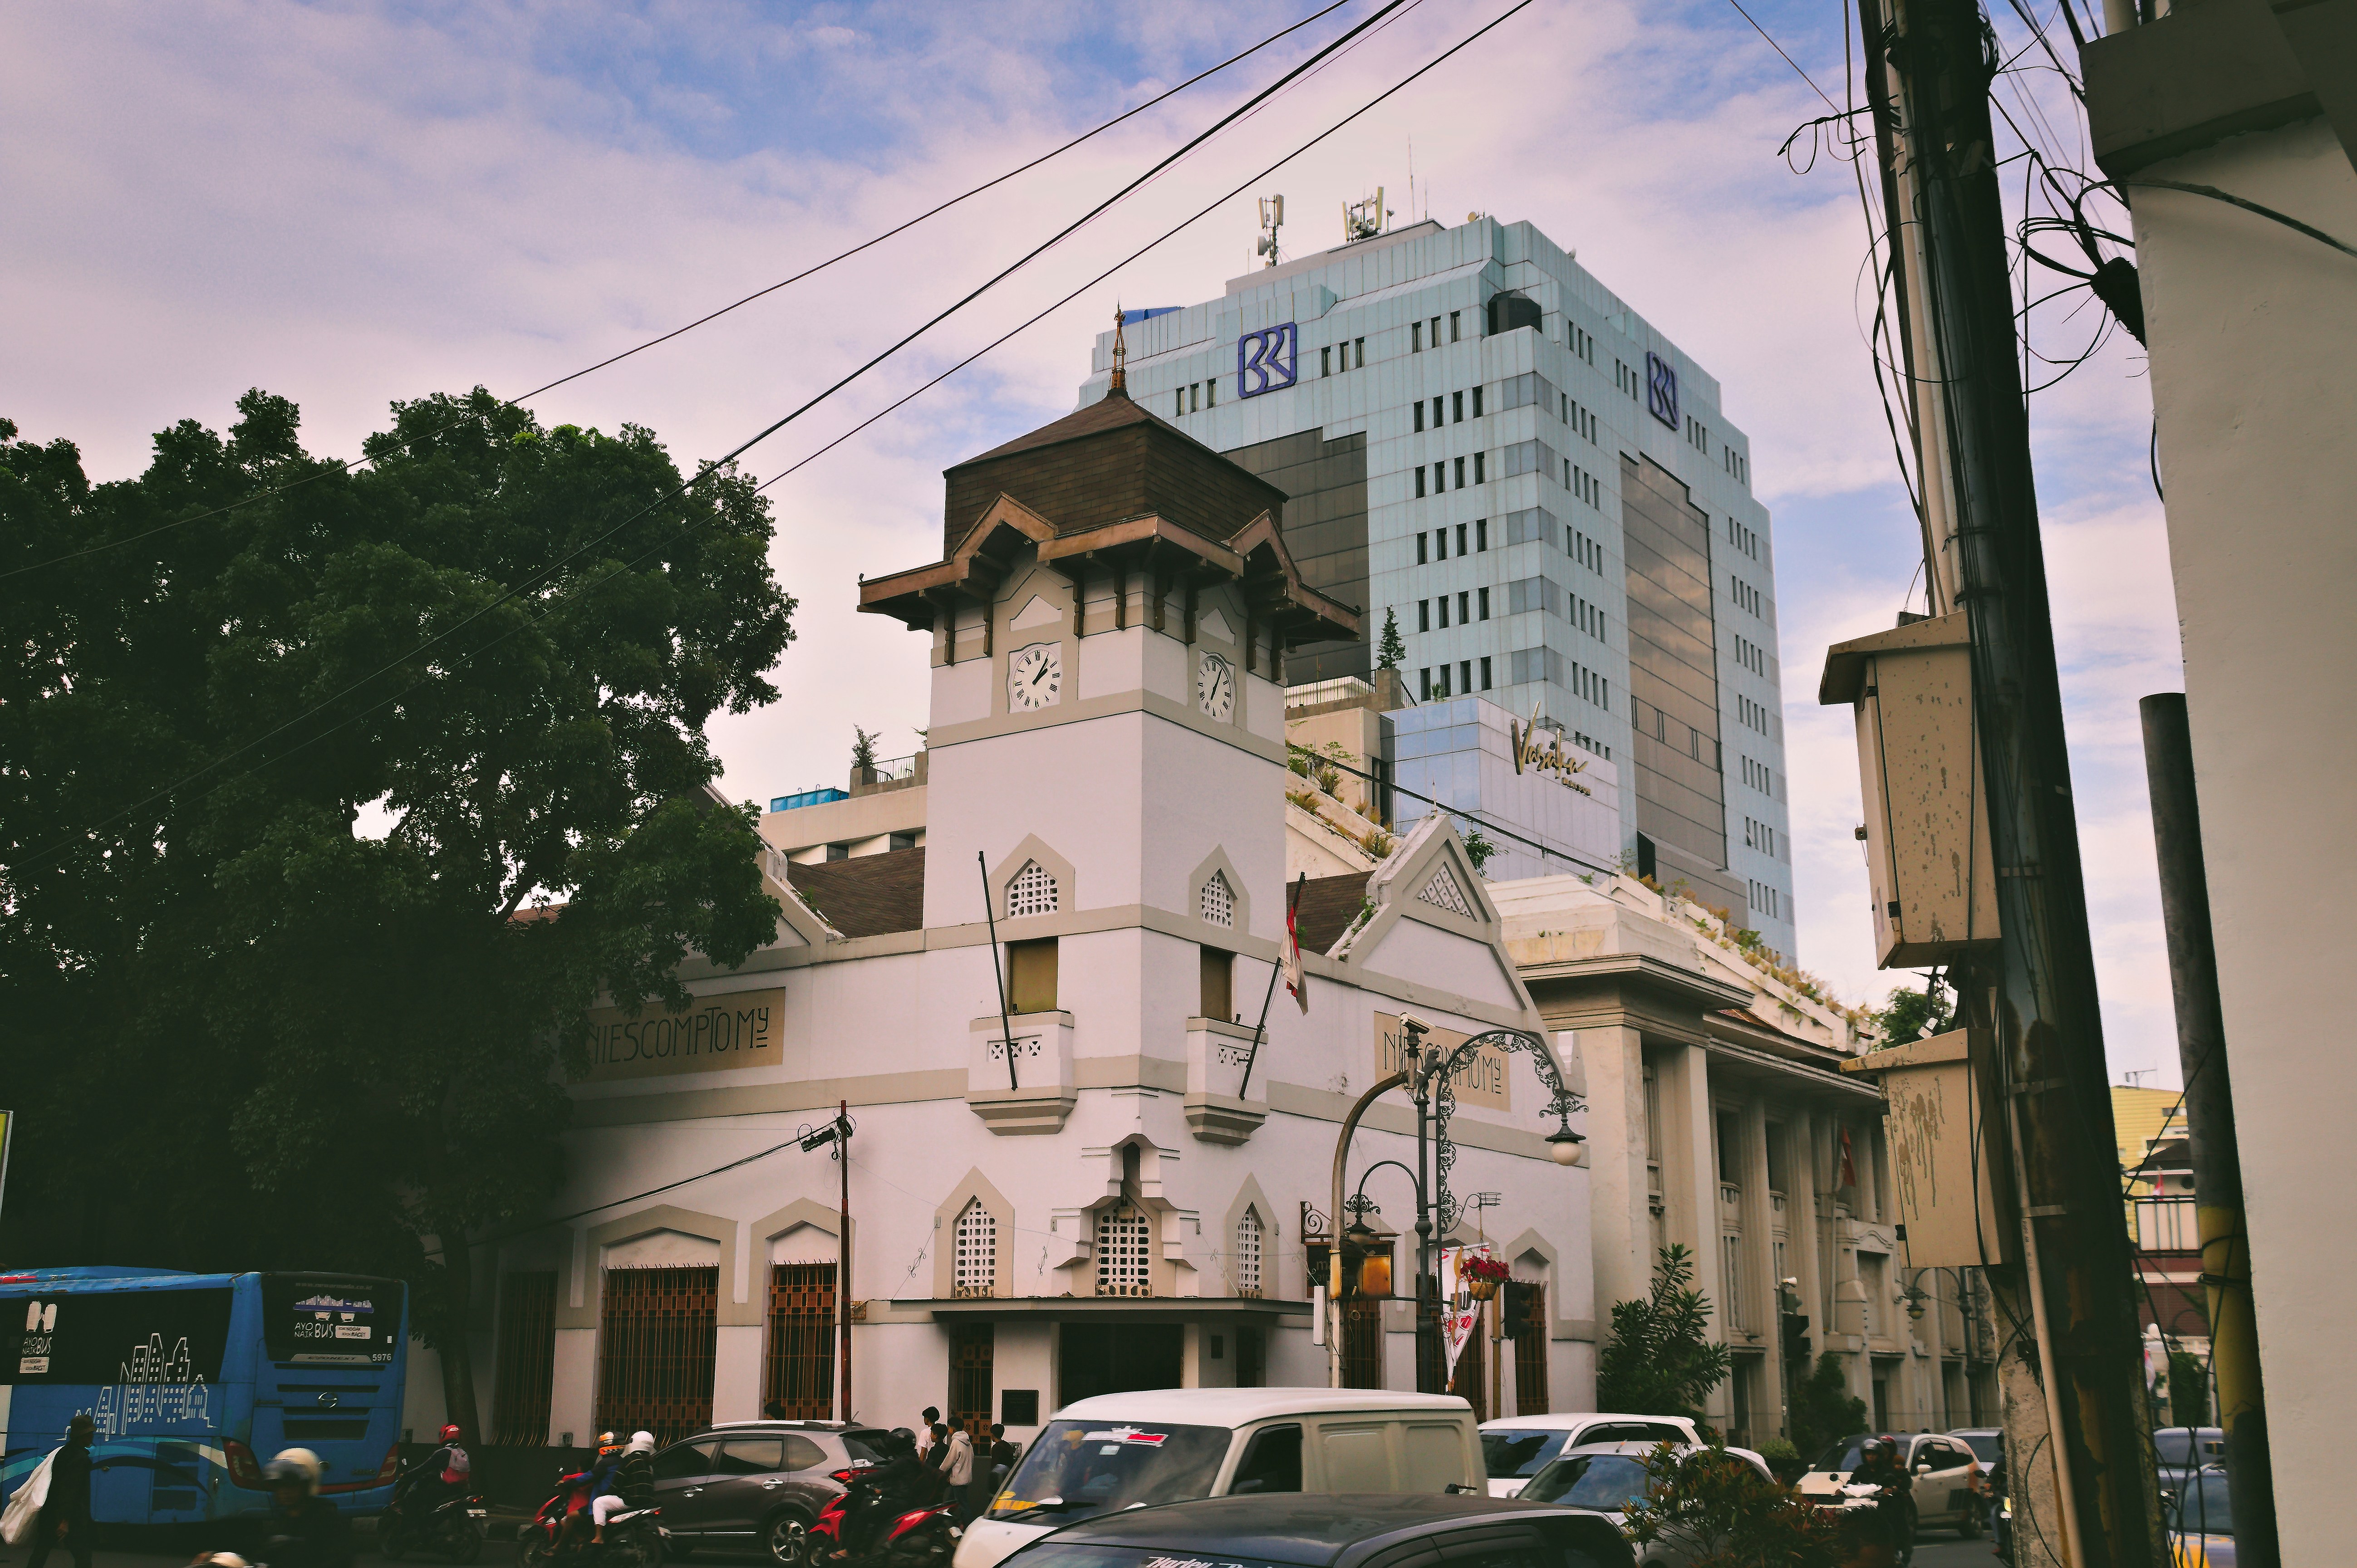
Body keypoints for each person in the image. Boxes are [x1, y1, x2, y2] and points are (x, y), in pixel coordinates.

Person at [840, 1429, 928, 1558]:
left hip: (901, 1502)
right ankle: (867, 1551)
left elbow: (882, 1475)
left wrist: (857, 1481)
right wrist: (882, 1491)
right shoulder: (913, 1459)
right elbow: (904, 1483)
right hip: (908, 1500)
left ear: (897, 1446)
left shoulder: (903, 1462)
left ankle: (851, 1551)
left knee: (864, 1516)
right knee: (876, 1517)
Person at [262, 1449, 353, 1568]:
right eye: (280, 1485)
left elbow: (339, 1559)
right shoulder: (281, 1522)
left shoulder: (327, 1519)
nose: (285, 1492)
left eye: (292, 1485)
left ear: (307, 1485)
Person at [24, 1414, 94, 1568]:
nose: (92, 1436)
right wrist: (64, 1521)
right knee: (83, 1556)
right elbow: (70, 1490)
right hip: (71, 1517)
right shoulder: (80, 1459)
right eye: (90, 1433)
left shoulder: (61, 1453)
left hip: (50, 1513)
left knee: (41, 1552)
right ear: (83, 1436)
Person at [1852, 1436, 1915, 1567]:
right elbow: (1851, 1484)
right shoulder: (1860, 1470)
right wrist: (1842, 1491)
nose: (1871, 1457)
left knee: (1893, 1518)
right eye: (1868, 1454)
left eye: (1874, 1454)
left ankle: (1897, 1549)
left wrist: (1891, 1489)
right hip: (1865, 1505)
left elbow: (1896, 1483)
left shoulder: (1889, 1469)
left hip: (1885, 1505)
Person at [394, 1424, 471, 1524]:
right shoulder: (464, 1453)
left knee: (411, 1499)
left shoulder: (443, 1453)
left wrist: (407, 1475)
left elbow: (423, 1468)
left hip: (443, 1491)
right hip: (460, 1491)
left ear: (444, 1435)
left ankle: (413, 1530)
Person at [592, 1432, 656, 1543]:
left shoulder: (630, 1459)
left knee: (599, 1503)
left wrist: (605, 1494)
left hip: (630, 1500)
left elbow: (616, 1484)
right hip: (647, 1501)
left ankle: (598, 1537)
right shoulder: (649, 1463)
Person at [940, 1426, 974, 1521]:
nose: (949, 1431)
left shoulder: (956, 1442)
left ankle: (968, 1525)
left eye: (950, 1428)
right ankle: (949, 1524)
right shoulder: (968, 1442)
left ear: (954, 1429)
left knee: (963, 1505)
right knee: (950, 1504)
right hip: (964, 1477)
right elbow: (972, 1457)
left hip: (958, 1479)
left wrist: (941, 1470)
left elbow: (950, 1459)